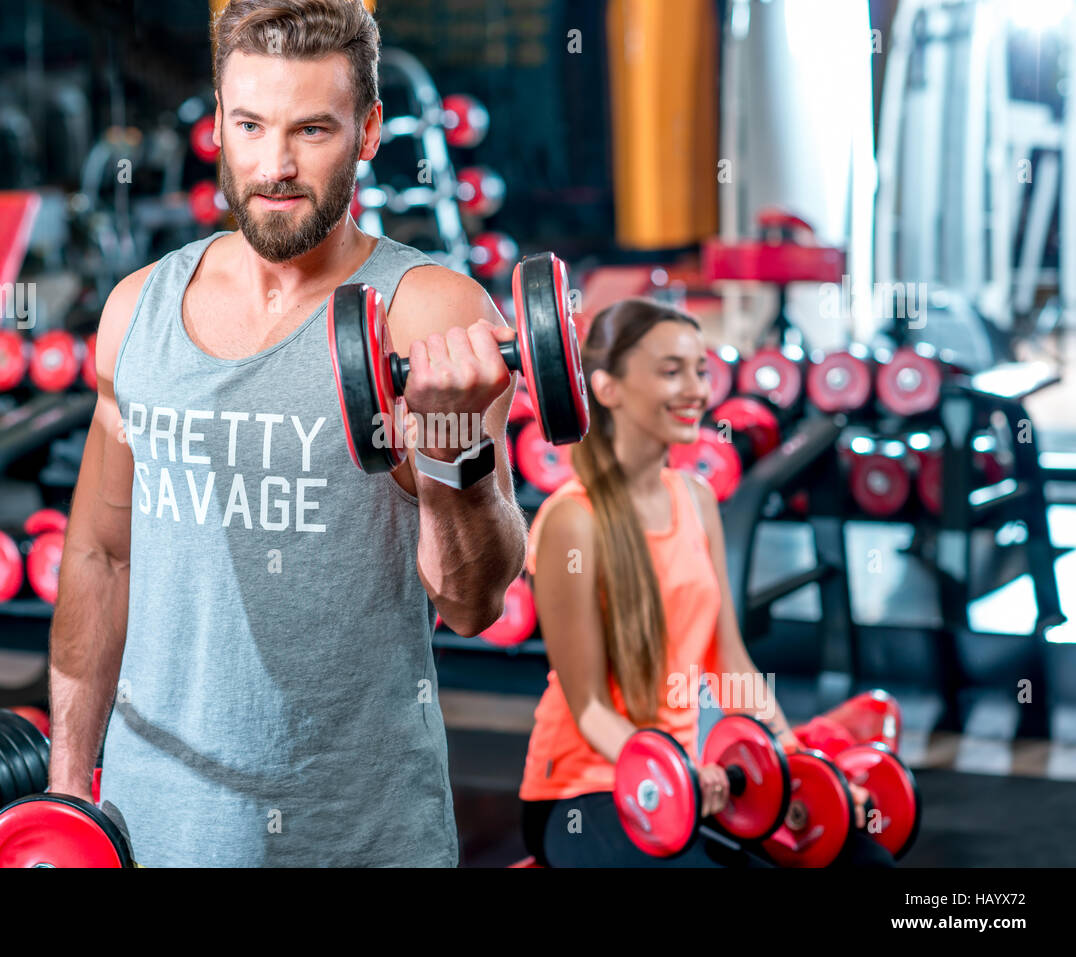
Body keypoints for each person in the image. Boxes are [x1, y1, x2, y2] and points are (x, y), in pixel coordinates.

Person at [47, 0, 528, 866]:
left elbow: (471, 599)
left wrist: (456, 445)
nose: (274, 166)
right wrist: (68, 783)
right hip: (150, 825)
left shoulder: (430, 315)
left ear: (370, 130)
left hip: (357, 833)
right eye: (250, 125)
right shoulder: (137, 311)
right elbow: (101, 553)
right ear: (219, 128)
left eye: (312, 130)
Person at [518, 298, 894, 867]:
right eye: (671, 371)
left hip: (691, 777)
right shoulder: (572, 519)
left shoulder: (695, 498)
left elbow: (729, 661)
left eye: (700, 369)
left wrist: (793, 764)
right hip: (585, 787)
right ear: (609, 387)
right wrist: (681, 774)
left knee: (861, 860)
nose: (696, 389)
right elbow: (589, 705)